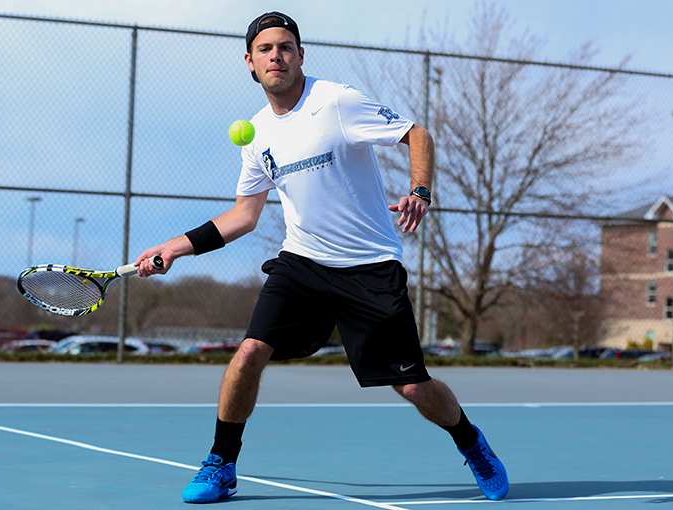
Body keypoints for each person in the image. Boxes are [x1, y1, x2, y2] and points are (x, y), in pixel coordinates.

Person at [135, 11, 508, 504]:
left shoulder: (336, 101)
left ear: (300, 56)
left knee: (414, 388)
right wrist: (175, 248)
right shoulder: (257, 133)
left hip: (370, 267)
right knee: (248, 353)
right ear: (249, 63)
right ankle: (221, 463)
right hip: (303, 264)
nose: (276, 56)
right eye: (266, 49)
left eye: (286, 47)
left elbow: (419, 134)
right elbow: (244, 216)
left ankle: (471, 443)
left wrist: (420, 189)